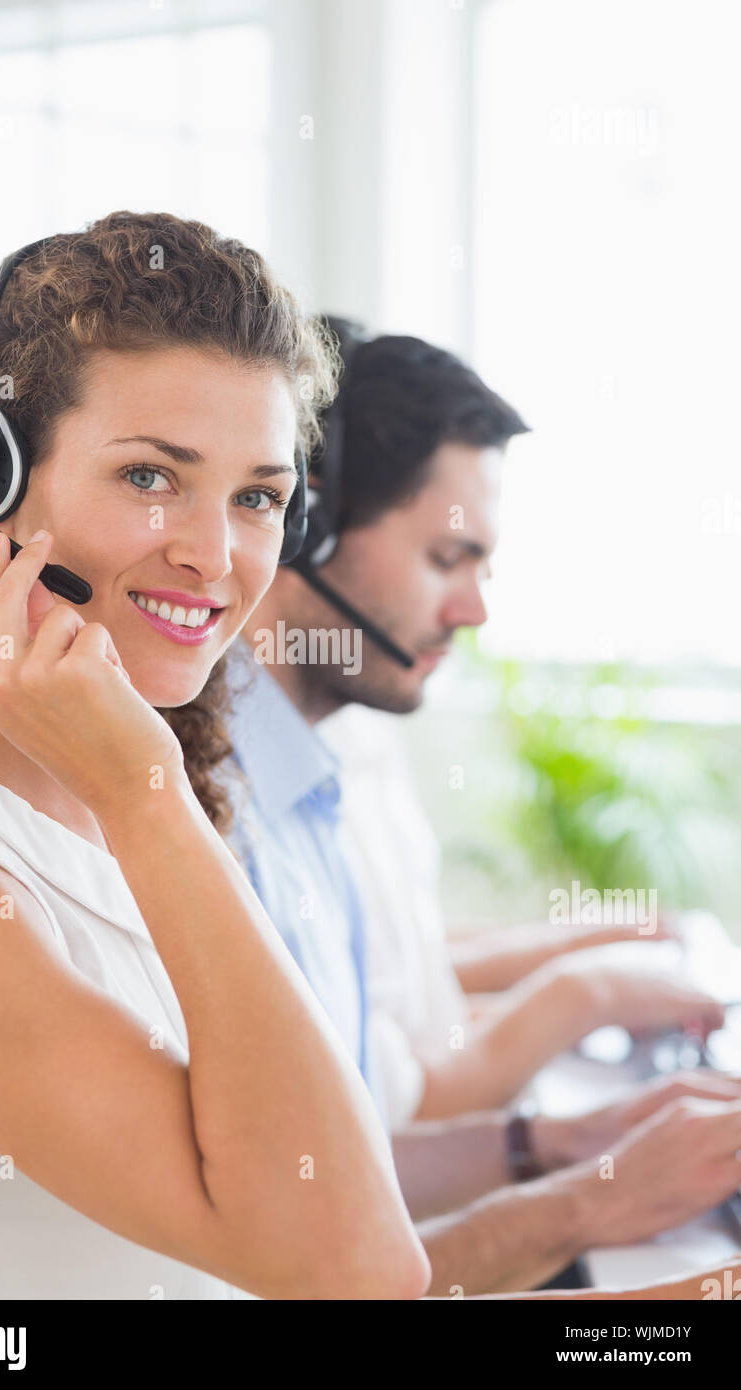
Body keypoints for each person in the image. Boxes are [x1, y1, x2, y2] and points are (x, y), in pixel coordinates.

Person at [0, 215, 429, 1301]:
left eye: (257, 496)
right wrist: (146, 793)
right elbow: (352, 1268)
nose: (214, 555)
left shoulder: (145, 817)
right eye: (148, 477)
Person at [223, 320, 741, 1296]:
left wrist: (568, 1142)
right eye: (446, 556)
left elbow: (358, 1150)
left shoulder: (307, 790)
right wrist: (593, 1202)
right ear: (306, 528)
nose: (473, 609)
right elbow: (305, 1270)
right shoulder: (215, 812)